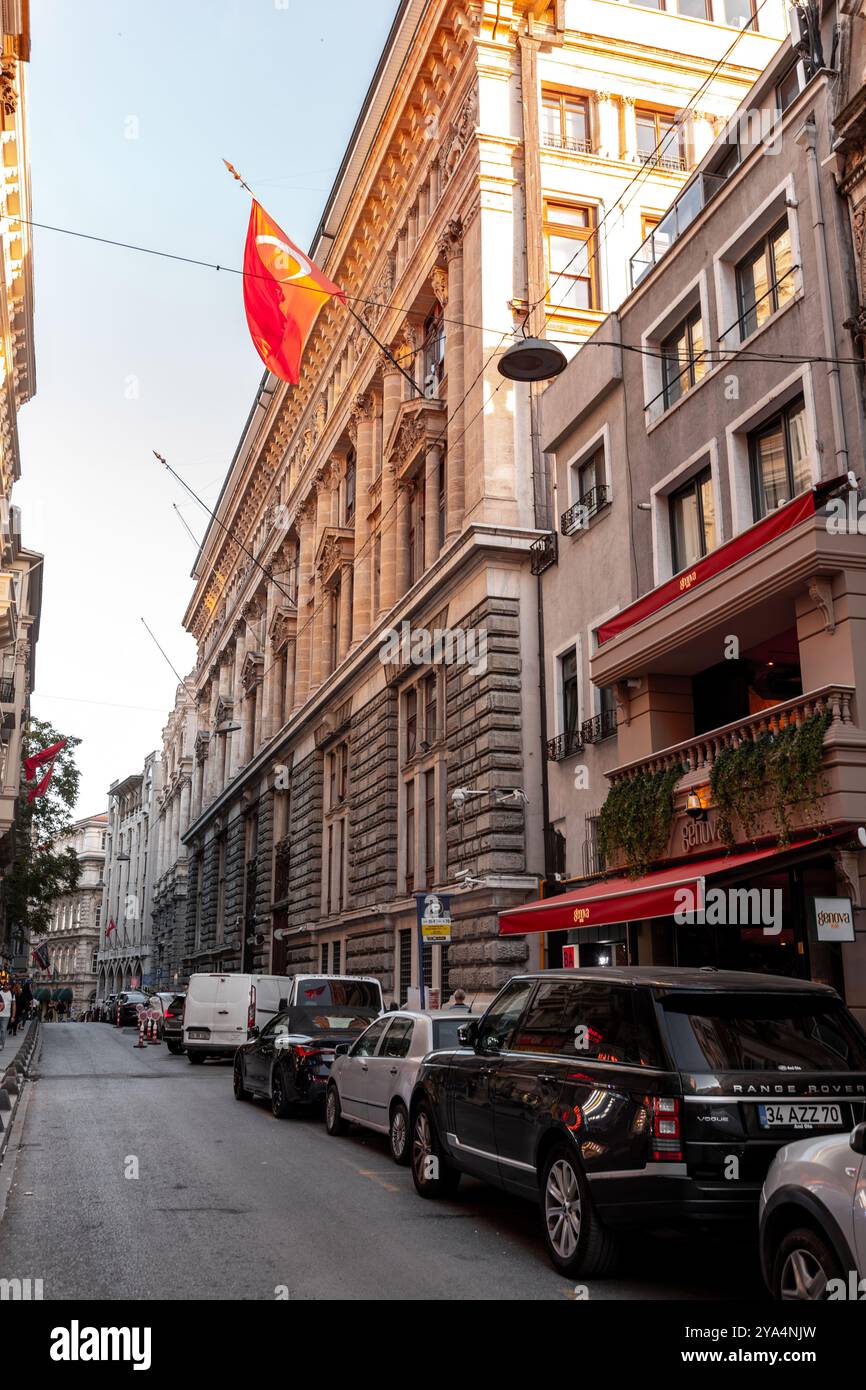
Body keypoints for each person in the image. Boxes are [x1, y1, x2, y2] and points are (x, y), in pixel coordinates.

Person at [0, 980, 11, 1049]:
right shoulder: (0, 992)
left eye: (7, 985)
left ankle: (1, 1044)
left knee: (3, 1030)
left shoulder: (11, 993)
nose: (6, 986)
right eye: (5, 985)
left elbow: (14, 1005)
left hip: (6, 1015)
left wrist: (13, 1016)